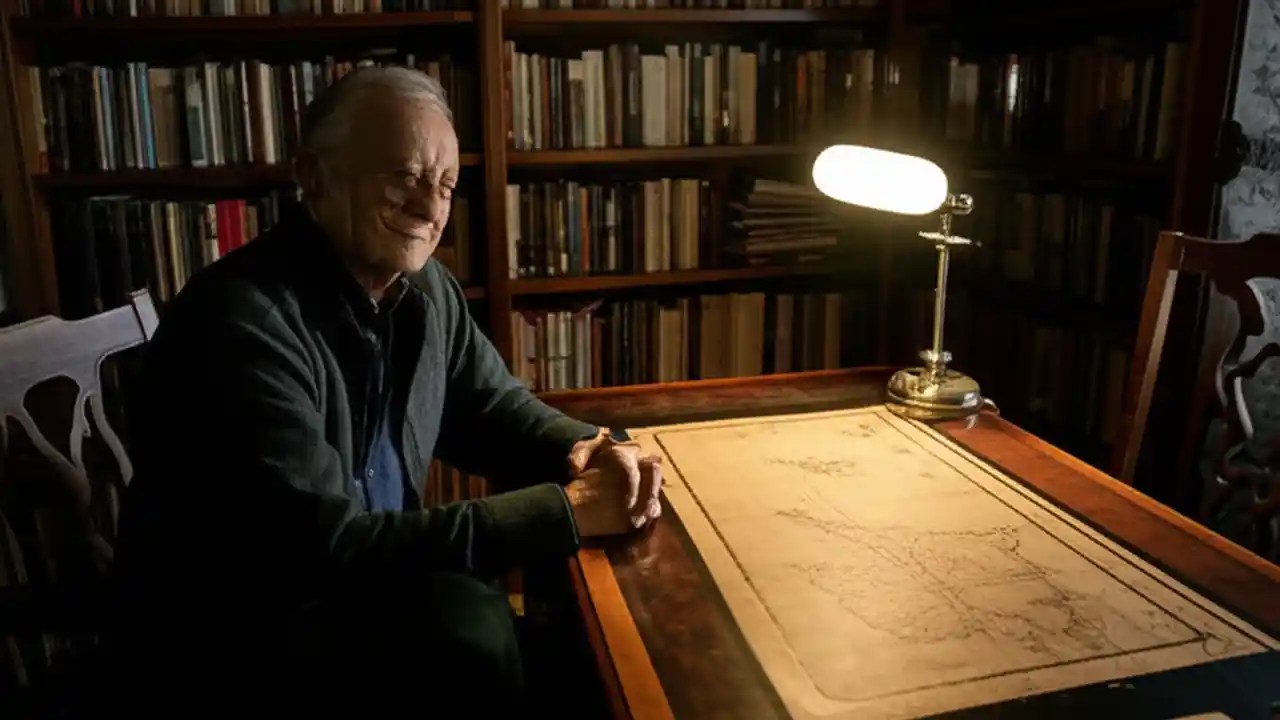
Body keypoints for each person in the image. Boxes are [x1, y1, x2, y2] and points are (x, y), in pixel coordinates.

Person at [110, 66, 662, 717]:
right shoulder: (241, 324)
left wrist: (589, 448)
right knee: (488, 635)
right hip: (236, 649)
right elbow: (333, 549)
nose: (430, 210)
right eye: (404, 176)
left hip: (363, 600)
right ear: (314, 176)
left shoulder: (427, 289)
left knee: (576, 654)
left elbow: (493, 407)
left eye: (445, 185)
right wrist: (566, 511)